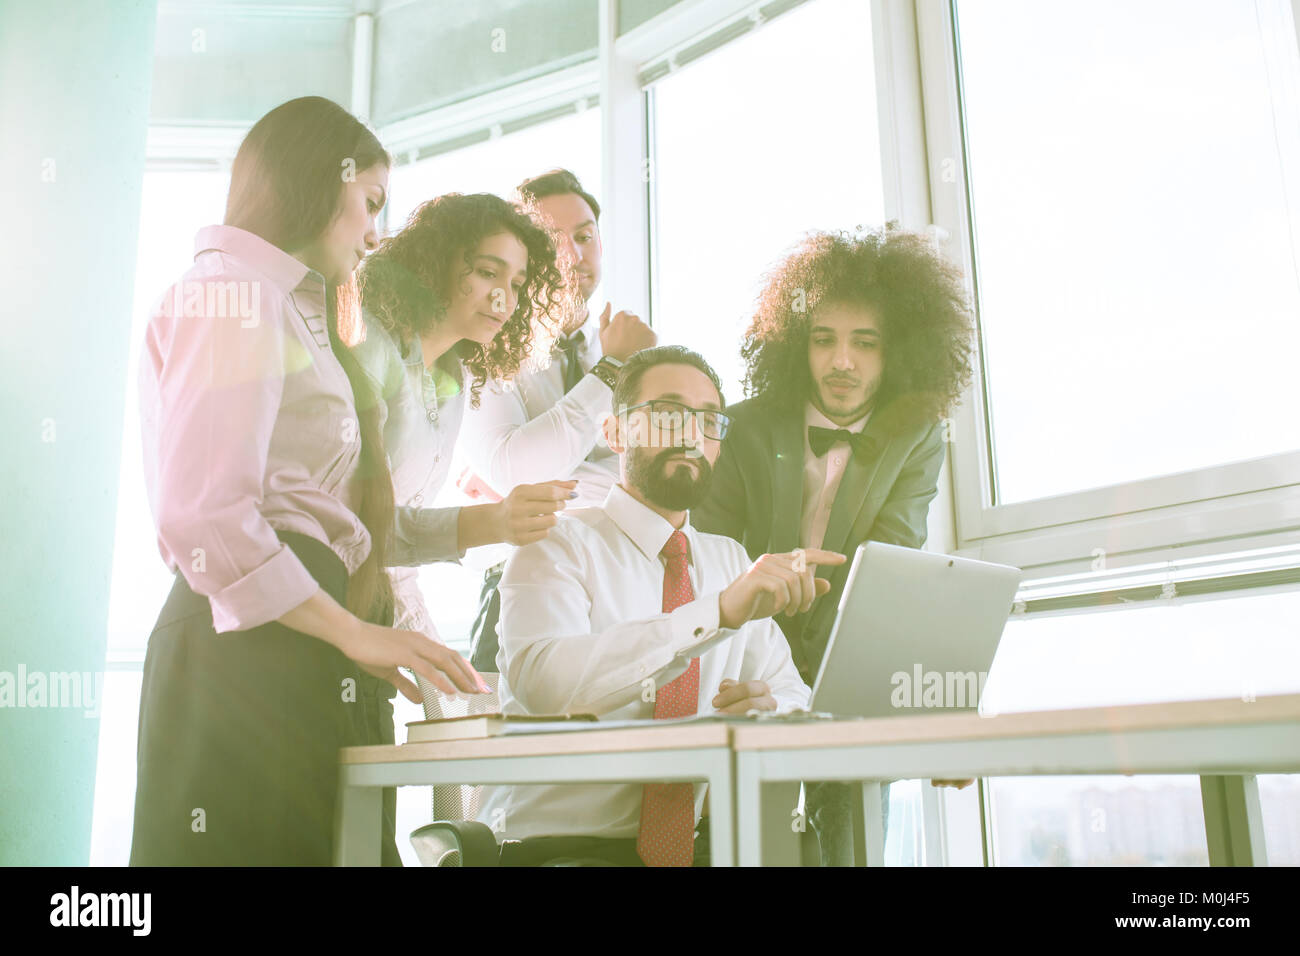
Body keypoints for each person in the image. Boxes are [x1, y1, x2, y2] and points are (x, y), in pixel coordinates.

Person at [130, 96, 487, 868]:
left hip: (293, 634)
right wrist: (352, 631)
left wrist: (349, 636)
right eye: (370, 204)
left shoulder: (287, 309)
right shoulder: (234, 291)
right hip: (248, 650)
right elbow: (207, 517)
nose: (375, 231)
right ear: (323, 181)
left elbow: (311, 506)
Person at [478, 345, 843, 866]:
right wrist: (714, 614)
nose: (691, 435)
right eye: (668, 414)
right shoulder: (555, 544)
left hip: (698, 848)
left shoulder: (728, 561)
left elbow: (790, 691)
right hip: (557, 851)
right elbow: (547, 689)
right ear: (615, 433)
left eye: (709, 421)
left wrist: (769, 714)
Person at [693, 225, 975, 865]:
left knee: (850, 836)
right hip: (746, 662)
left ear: (898, 350)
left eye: (864, 343)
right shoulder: (746, 425)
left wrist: (932, 707)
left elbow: (889, 566)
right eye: (823, 340)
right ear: (797, 344)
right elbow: (709, 552)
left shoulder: (916, 434)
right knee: (742, 846)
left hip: (847, 664)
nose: (841, 361)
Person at [351, 192, 578, 711]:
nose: (505, 297)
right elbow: (357, 526)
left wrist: (443, 677)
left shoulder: (454, 381)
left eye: (517, 285)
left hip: (374, 625)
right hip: (321, 623)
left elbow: (393, 561)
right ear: (432, 264)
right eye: (487, 272)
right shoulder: (370, 352)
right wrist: (491, 522)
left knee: (466, 728)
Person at [459, 168, 656, 672]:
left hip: (631, 587)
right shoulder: (487, 348)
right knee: (512, 746)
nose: (574, 254)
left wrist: (543, 477)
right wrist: (611, 373)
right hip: (520, 587)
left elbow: (658, 486)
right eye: (553, 240)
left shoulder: (641, 353)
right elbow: (518, 472)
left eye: (586, 236)